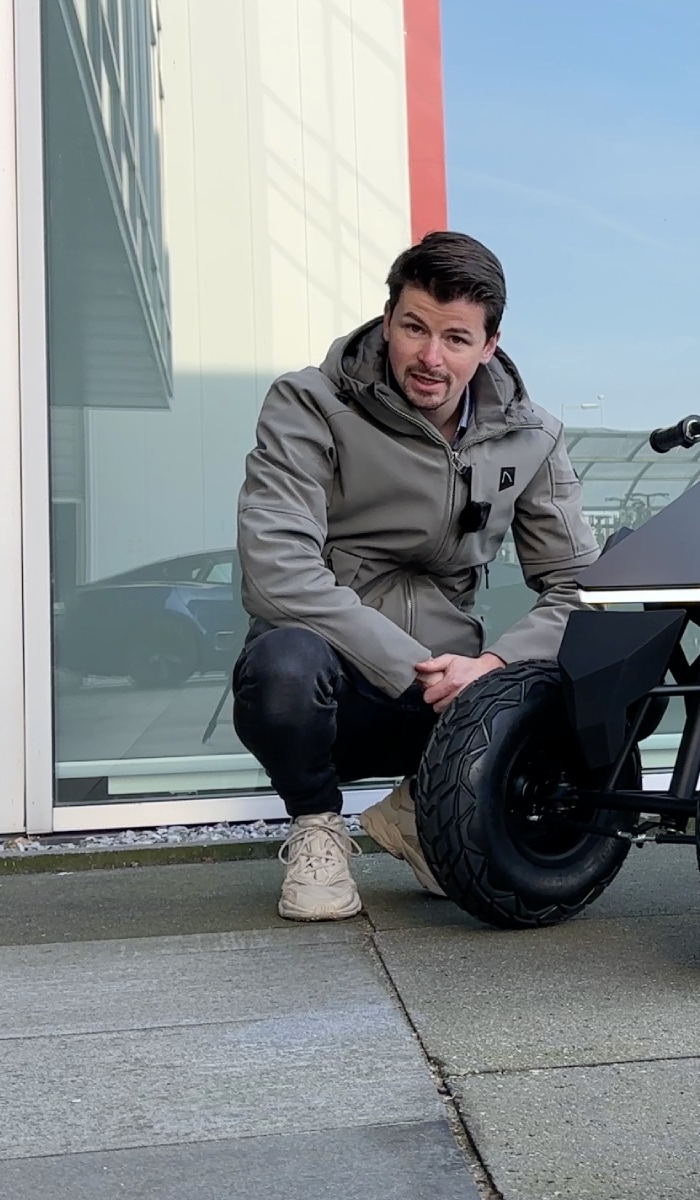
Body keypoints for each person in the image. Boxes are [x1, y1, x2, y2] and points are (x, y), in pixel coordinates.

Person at [233, 231, 598, 920]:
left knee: (603, 670)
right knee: (281, 663)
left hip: (452, 689)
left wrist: (491, 666)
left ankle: (416, 809)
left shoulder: (533, 436)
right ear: (388, 320)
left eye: (457, 339)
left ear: (489, 346)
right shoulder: (308, 404)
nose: (431, 358)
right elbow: (276, 571)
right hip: (342, 683)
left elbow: (579, 587)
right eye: (415, 328)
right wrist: (418, 667)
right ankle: (317, 828)